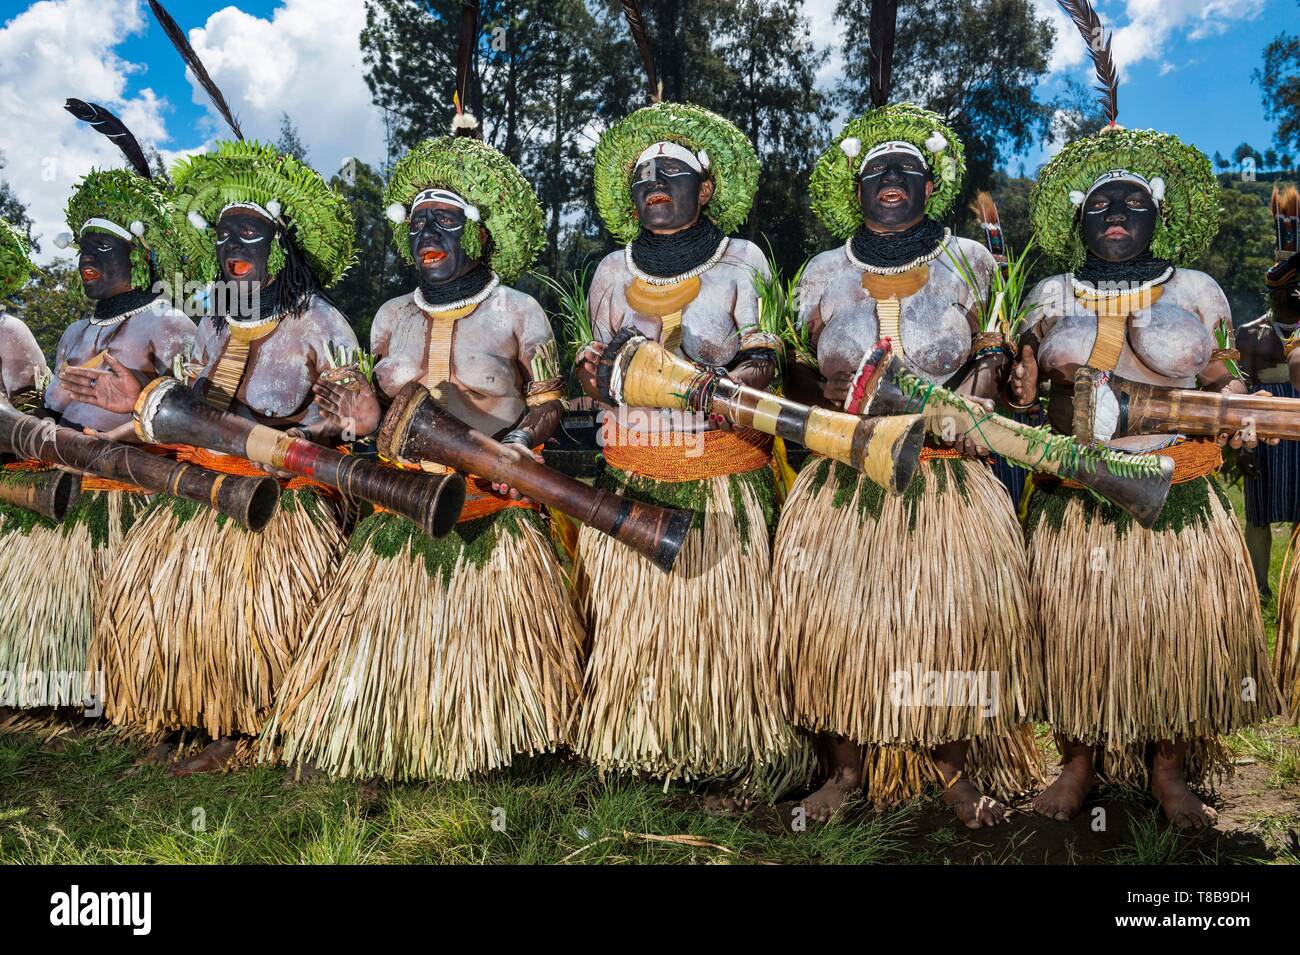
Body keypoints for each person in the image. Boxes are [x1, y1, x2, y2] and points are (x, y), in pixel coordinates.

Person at [61, 17, 359, 772]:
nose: (230, 251)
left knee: (260, 607)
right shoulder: (203, 320)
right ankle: (179, 706)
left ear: (284, 248)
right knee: (162, 596)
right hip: (201, 486)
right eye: (223, 239)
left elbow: (354, 429)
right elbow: (175, 402)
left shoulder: (320, 322)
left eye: (248, 238)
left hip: (282, 500)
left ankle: (254, 716)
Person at [1010, 0, 1282, 828]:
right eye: (1100, 205)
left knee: (1175, 642)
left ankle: (1169, 770)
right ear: (1079, 218)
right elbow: (1023, 389)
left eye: (1131, 202)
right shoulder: (1050, 293)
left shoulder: (1197, 291)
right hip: (1080, 496)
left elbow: (1229, 374)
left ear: (1159, 212)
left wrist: (1238, 403)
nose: (1116, 214)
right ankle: (1078, 763)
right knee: (1074, 637)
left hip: (1181, 491)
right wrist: (1020, 384)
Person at [771, 0, 1041, 828]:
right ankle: (844, 771)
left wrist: (987, 395)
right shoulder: (818, 271)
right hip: (842, 477)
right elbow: (791, 367)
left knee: (951, 625)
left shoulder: (967, 259)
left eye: (907, 174)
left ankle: (953, 774)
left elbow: (995, 353)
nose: (891, 184)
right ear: (856, 191)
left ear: (930, 186)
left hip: (946, 479)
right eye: (877, 175)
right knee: (833, 626)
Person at [263, 125, 585, 782]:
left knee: (489, 640)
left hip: (493, 496)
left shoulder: (520, 310)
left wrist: (521, 443)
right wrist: (346, 413)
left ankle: (499, 740)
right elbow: (366, 416)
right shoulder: (386, 318)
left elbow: (549, 397)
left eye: (444, 221)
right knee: (380, 633)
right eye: (416, 225)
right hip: (403, 496)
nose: (426, 235)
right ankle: (385, 734)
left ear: (482, 234)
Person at [569, 7, 808, 806]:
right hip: (630, 479)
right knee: (641, 629)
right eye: (642, 182)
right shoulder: (607, 273)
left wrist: (732, 382)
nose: (654, 191)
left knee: (720, 626)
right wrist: (592, 373)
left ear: (707, 189)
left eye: (671, 179)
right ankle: (644, 744)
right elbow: (587, 369)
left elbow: (765, 360)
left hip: (720, 485)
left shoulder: (743, 263)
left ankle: (737, 750)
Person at [0, 102, 193, 717]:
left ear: (138, 258)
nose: (87, 259)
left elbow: (193, 411)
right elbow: (44, 403)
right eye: (82, 247)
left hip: (134, 488)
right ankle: (42, 692)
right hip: (66, 478)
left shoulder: (166, 322)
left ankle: (118, 698)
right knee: (45, 596)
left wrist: (130, 431)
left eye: (103, 248)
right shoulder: (74, 334)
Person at [1236, 187, 1300, 601]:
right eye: (1286, 292)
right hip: (1261, 427)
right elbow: (1239, 383)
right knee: (1258, 509)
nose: (1293, 298)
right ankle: (1258, 587)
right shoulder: (1250, 334)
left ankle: (1295, 587)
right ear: (1273, 295)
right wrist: (1243, 440)